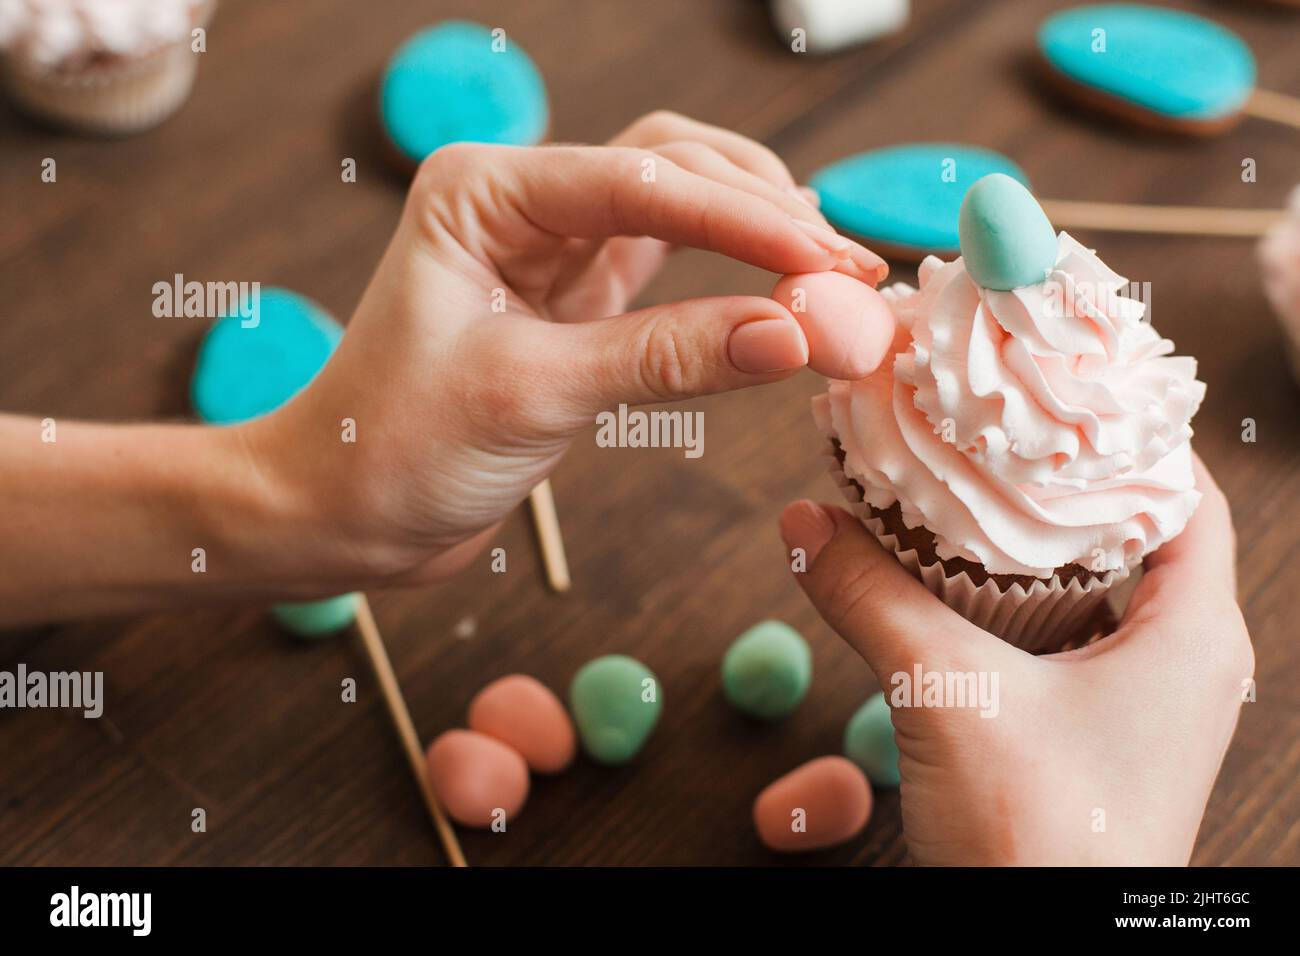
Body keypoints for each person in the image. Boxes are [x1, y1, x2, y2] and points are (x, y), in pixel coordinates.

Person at [0, 112, 1251, 865]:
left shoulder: (1111, 402)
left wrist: (279, 500)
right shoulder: (928, 375)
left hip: (1062, 506)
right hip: (1002, 489)